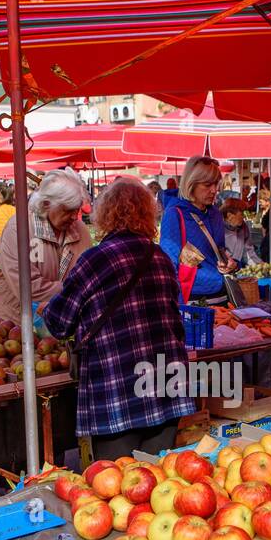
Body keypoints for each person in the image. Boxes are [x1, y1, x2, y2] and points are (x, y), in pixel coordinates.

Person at [42, 178, 196, 458]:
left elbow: (58, 322)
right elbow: (175, 319)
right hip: (166, 385)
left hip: (117, 392)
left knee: (116, 489)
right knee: (156, 478)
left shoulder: (94, 259)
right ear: (147, 215)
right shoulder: (159, 257)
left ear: (105, 215)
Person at [0, 169, 91, 325]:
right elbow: (28, 288)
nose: (74, 217)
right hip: (10, 326)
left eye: (77, 209)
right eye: (68, 210)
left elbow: (88, 276)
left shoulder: (80, 231)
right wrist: (76, 290)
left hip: (57, 327)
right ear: (46, 204)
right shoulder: (20, 228)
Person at [159, 155, 232, 300]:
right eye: (207, 185)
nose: (213, 190)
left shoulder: (215, 213)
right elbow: (169, 265)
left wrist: (230, 263)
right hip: (193, 298)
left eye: (216, 184)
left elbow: (219, 250)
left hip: (223, 294)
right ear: (191, 183)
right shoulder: (175, 214)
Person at [221, 198, 259, 267]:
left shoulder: (243, 227)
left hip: (237, 267)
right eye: (241, 214)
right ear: (229, 215)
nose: (243, 217)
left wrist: (260, 265)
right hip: (222, 268)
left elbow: (248, 251)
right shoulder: (218, 227)